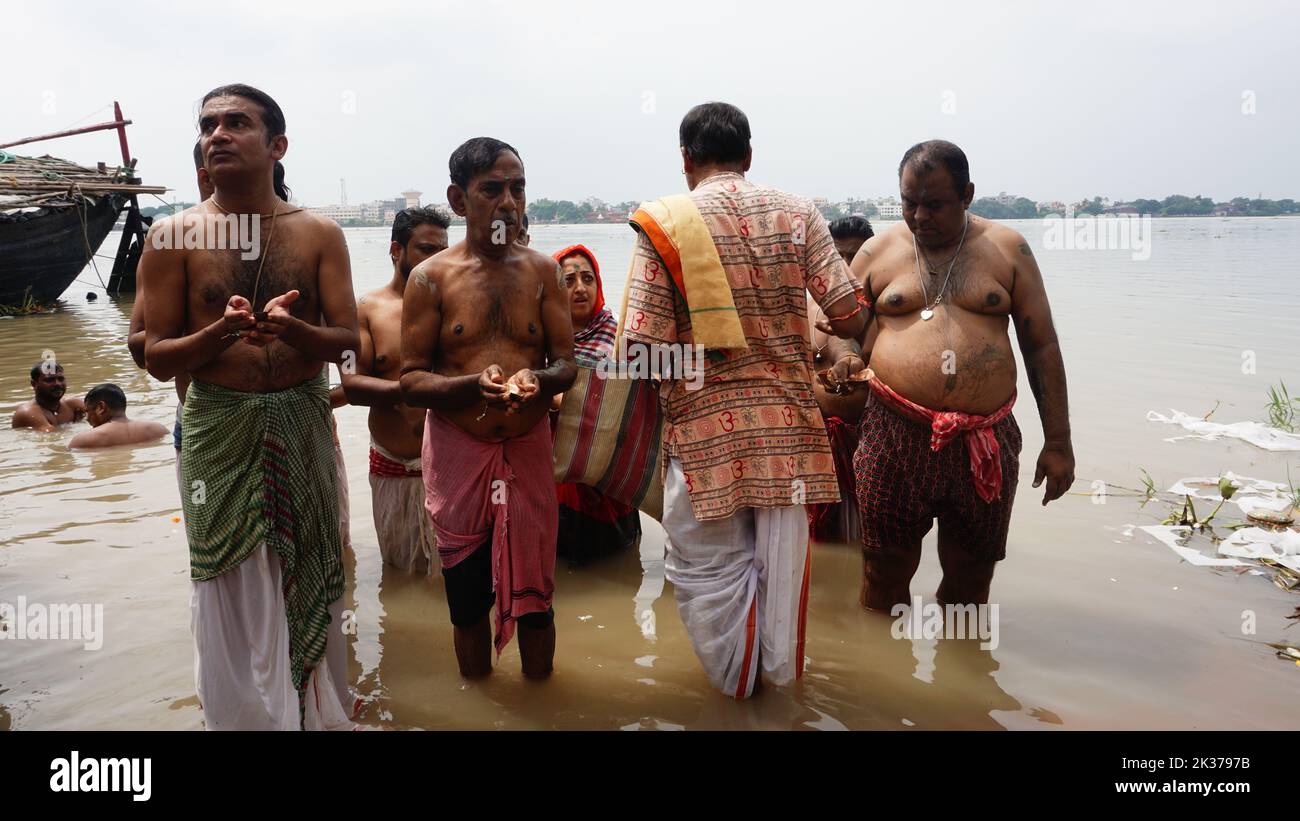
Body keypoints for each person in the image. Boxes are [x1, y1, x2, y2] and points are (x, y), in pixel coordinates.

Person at [621, 102, 866, 699]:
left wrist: (706, 355)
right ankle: (777, 695)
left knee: (708, 577)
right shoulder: (799, 211)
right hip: (791, 440)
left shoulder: (665, 223)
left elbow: (638, 353)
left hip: (707, 442)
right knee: (779, 578)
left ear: (685, 160)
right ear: (749, 156)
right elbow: (849, 312)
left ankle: (738, 696)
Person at [141, 83, 360, 729]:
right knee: (226, 582)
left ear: (277, 145)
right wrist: (219, 335)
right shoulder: (173, 234)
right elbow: (154, 355)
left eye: (237, 122)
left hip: (301, 419)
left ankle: (314, 714)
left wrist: (297, 333)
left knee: (311, 563)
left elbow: (350, 343)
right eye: (209, 124)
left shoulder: (319, 233)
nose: (217, 134)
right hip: (217, 427)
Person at [822, 139, 1075, 611]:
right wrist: (845, 355)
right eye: (908, 203)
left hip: (985, 441)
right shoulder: (877, 252)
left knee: (971, 583)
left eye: (934, 205)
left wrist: (1058, 442)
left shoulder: (1007, 249)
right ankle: (884, 679)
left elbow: (1041, 344)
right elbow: (839, 330)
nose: (919, 217)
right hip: (893, 437)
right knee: (883, 578)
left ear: (967, 194)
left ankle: (963, 675)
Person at [400, 137, 575, 679]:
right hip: (460, 452)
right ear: (459, 199)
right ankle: (478, 694)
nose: (508, 202)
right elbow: (410, 381)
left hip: (526, 447)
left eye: (517, 188)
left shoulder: (544, 272)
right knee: (467, 599)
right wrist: (472, 385)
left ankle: (540, 702)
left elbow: (567, 364)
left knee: (539, 600)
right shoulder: (431, 278)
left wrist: (536, 379)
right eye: (492, 189)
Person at [343, 206, 451, 574]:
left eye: (443, 251)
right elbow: (353, 383)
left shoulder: (457, 306)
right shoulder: (368, 309)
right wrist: (412, 390)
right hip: (391, 462)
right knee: (399, 573)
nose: (437, 260)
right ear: (396, 250)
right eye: (426, 249)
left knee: (455, 582)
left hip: (451, 466)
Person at [551, 244, 641, 563]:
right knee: (562, 558)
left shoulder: (619, 338)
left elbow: (634, 399)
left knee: (620, 565)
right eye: (569, 280)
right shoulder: (540, 340)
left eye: (588, 279)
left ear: (598, 285)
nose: (580, 288)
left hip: (610, 481)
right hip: (557, 483)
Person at [806, 215, 875, 544]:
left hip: (871, 445)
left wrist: (849, 359)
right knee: (816, 540)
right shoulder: (809, 307)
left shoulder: (889, 312)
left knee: (871, 544)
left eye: (856, 256)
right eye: (839, 257)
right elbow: (839, 344)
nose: (848, 267)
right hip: (815, 446)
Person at [68, 384, 168, 448]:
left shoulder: (83, 440)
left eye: (88, 412)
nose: (87, 419)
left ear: (100, 408)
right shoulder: (158, 429)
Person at [11, 362, 86, 430]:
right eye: (49, 380)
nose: (57, 384)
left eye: (61, 379)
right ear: (34, 384)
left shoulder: (73, 405)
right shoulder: (27, 413)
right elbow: (53, 439)